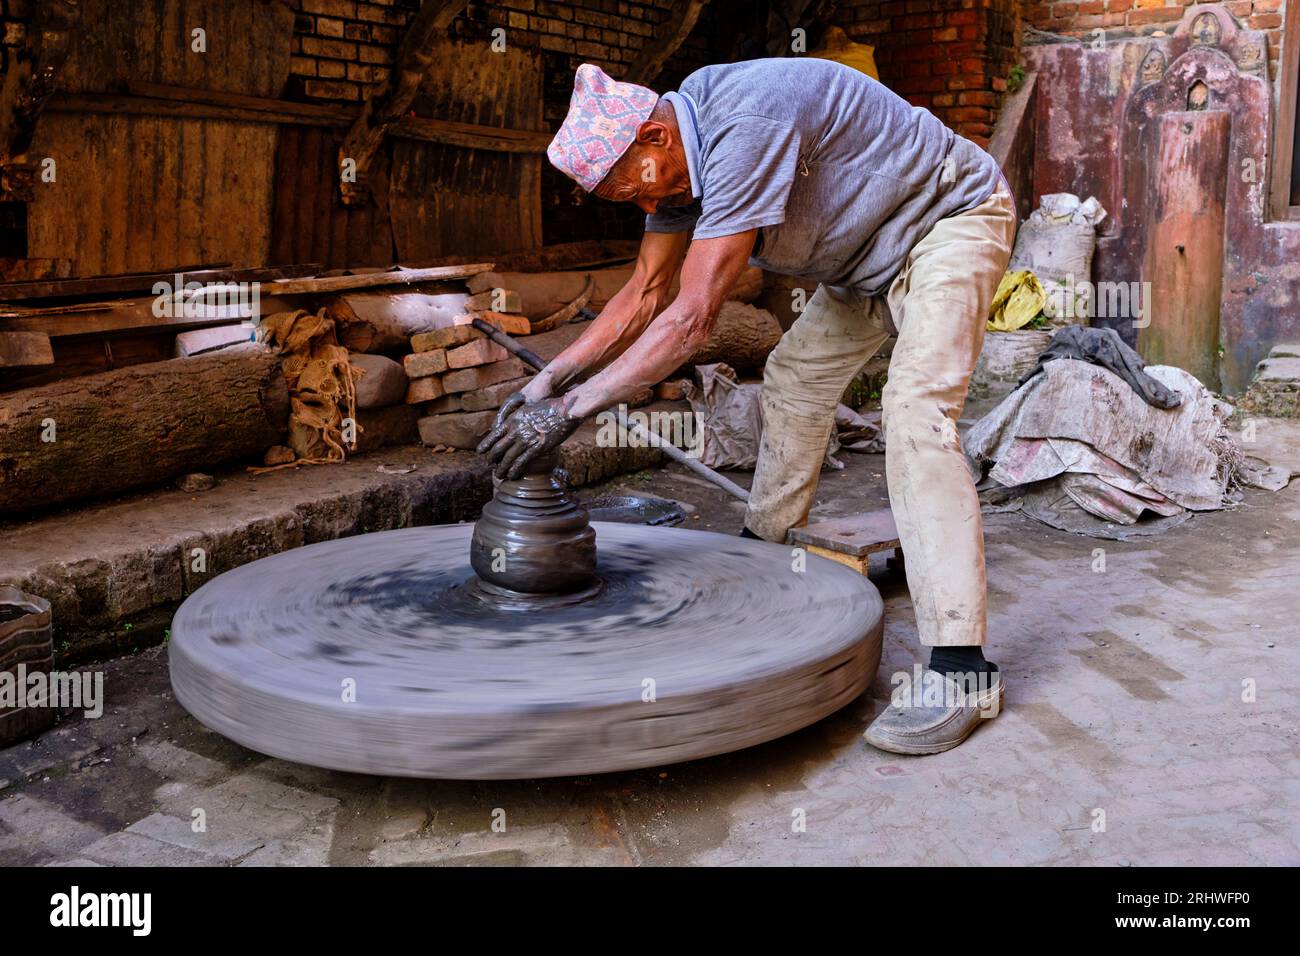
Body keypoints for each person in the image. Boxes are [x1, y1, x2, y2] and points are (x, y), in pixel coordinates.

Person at [479, 59, 1016, 754]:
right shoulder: (674, 160)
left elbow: (692, 317)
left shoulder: (748, 123)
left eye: (632, 192)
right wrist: (545, 384)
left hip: (951, 224)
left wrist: (574, 409)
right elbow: (646, 290)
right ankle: (767, 551)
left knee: (915, 413)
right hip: (864, 264)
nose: (647, 210)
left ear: (653, 137)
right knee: (793, 378)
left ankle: (962, 670)